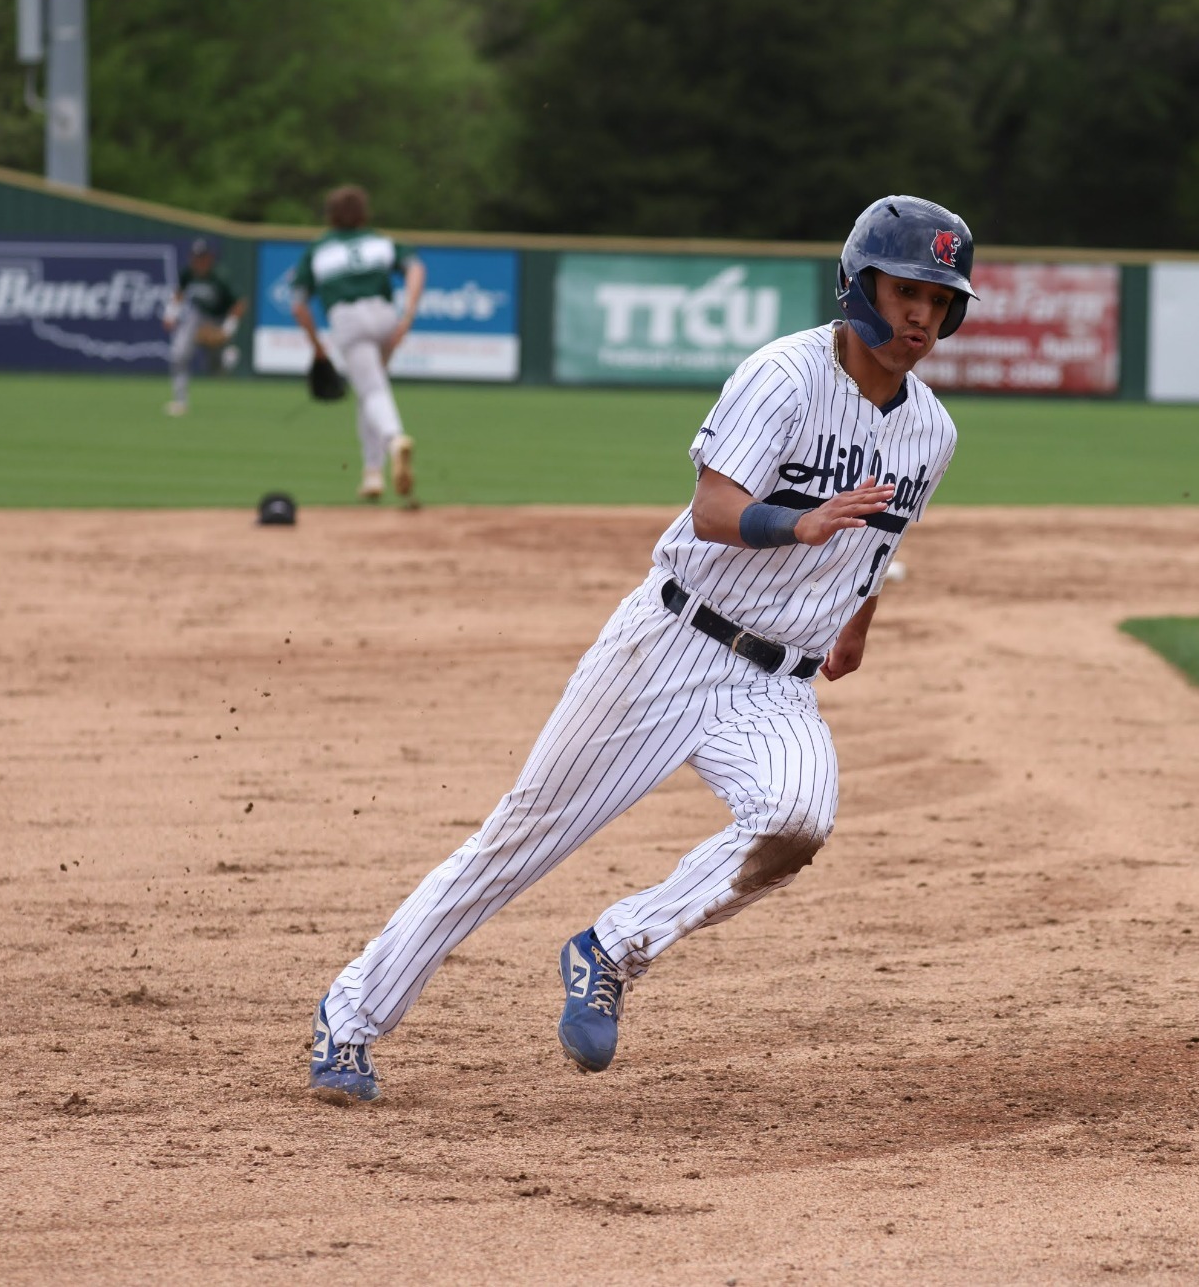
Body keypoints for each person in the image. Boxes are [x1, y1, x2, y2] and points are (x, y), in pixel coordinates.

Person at [309, 195, 977, 1101]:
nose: (921, 317)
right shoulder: (783, 376)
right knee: (519, 841)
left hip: (773, 684)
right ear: (859, 285)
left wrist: (854, 624)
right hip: (668, 646)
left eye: (940, 302)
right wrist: (800, 524)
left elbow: (878, 543)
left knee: (797, 819)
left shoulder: (931, 431)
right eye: (907, 291)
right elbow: (713, 508)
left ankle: (612, 948)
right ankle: (349, 1017)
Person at [289, 185, 425, 501]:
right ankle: (372, 474)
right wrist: (409, 312)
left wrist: (317, 347)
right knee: (369, 390)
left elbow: (298, 304)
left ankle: (394, 440)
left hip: (348, 319)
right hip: (384, 314)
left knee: (373, 390)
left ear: (330, 215)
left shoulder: (319, 249)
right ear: (364, 213)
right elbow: (416, 267)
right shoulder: (379, 241)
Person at [163, 238, 246, 417]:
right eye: (196, 257)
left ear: (210, 258)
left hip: (217, 320)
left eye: (202, 257)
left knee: (216, 370)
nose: (199, 261)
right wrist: (171, 313)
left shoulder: (220, 276)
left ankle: (227, 358)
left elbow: (240, 303)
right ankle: (180, 402)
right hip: (196, 317)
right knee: (178, 355)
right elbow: (179, 293)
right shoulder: (188, 273)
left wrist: (228, 329)